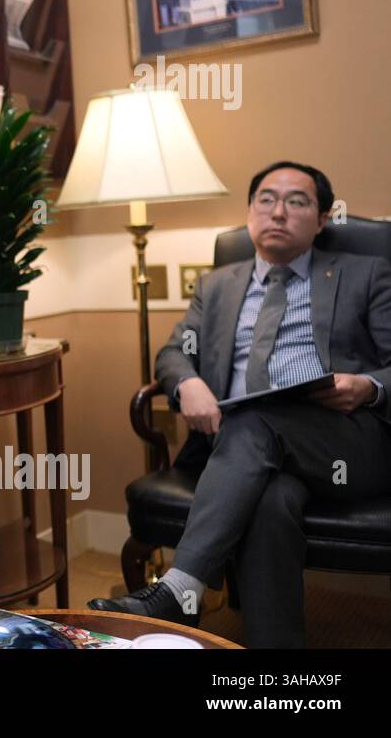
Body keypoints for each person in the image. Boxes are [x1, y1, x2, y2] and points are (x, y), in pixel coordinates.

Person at [89, 161, 391, 647]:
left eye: (297, 201)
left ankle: (178, 589)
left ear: (323, 218)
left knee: (252, 418)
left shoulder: (366, 273)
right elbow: (173, 353)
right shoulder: (216, 285)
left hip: (344, 444)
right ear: (250, 212)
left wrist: (369, 386)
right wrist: (187, 384)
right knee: (273, 499)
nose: (278, 212)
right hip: (248, 453)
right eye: (266, 199)